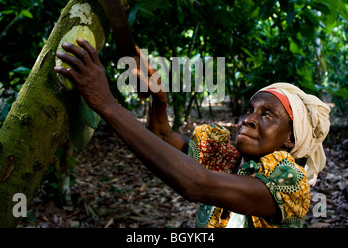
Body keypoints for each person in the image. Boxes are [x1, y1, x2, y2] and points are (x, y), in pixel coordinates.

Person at [54, 38, 331, 228]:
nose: (248, 120)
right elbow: (163, 139)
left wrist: (106, 104)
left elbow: (196, 184)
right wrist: (158, 102)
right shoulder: (230, 158)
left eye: (267, 114)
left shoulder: (291, 183)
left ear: (290, 139)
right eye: (249, 110)